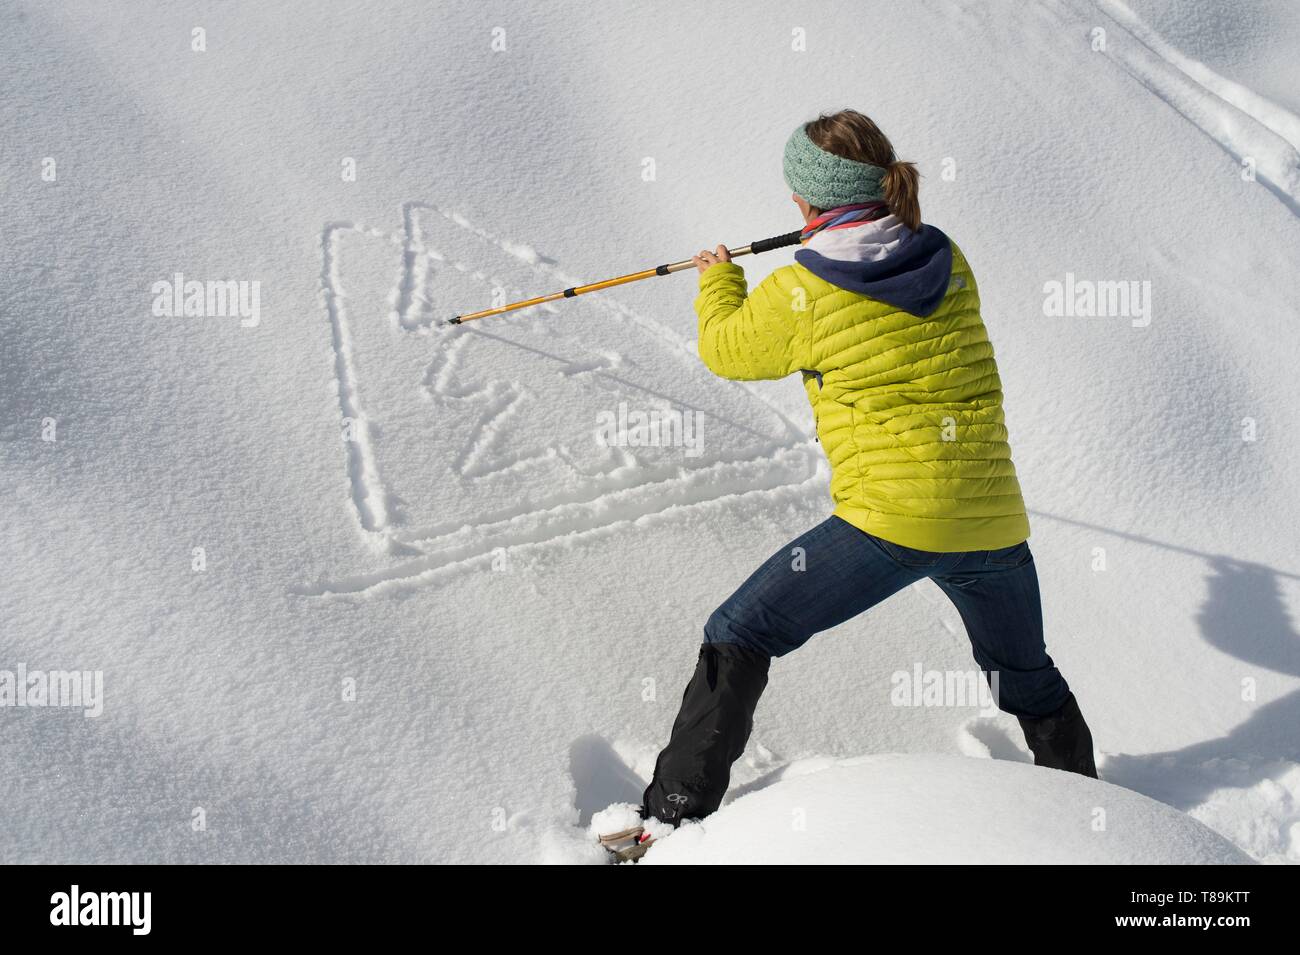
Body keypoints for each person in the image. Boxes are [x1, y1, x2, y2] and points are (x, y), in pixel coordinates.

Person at [602, 109, 1097, 862]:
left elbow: (727, 349)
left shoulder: (803, 288)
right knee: (1025, 673)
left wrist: (718, 280)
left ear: (806, 202)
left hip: (889, 522)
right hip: (993, 520)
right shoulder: (945, 254)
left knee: (740, 631)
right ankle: (1094, 817)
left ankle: (669, 819)